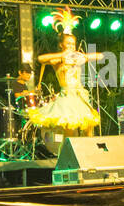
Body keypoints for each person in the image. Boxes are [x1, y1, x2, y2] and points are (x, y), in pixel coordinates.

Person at [24, 8, 102, 136]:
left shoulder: (77, 57)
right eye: (68, 44)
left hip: (80, 96)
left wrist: (82, 56)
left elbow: (100, 56)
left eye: (73, 44)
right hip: (66, 98)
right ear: (61, 45)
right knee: (69, 131)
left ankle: (87, 153)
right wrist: (62, 56)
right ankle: (67, 154)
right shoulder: (58, 60)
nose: (71, 46)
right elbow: (41, 59)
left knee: (89, 127)